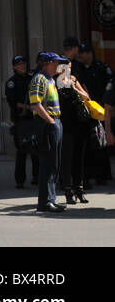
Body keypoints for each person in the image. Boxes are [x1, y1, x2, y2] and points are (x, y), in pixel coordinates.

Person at [58, 38, 96, 204]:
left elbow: (86, 95)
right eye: (64, 66)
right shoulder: (57, 82)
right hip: (65, 123)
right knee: (67, 157)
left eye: (68, 65)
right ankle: (68, 190)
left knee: (78, 156)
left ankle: (79, 188)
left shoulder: (73, 79)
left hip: (79, 122)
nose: (67, 67)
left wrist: (74, 86)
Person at [30, 52, 66, 213]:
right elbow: (35, 104)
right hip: (47, 124)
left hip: (55, 122)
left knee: (55, 164)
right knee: (47, 164)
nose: (59, 65)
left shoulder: (51, 80)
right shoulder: (39, 79)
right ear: (47, 63)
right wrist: (50, 122)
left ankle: (51, 199)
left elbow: (68, 83)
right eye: (57, 62)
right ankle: (44, 202)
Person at [76, 43, 113, 185]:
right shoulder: (78, 69)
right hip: (85, 112)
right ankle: (86, 176)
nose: (80, 55)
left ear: (90, 54)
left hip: (101, 111)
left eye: (83, 53)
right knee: (87, 144)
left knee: (101, 143)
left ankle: (102, 175)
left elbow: (109, 90)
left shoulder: (102, 68)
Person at [4, 55, 39, 189]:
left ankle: (37, 176)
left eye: (24, 63)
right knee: (21, 150)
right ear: (14, 66)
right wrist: (28, 107)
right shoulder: (11, 82)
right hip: (21, 120)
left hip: (34, 118)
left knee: (36, 148)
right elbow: (13, 102)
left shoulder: (31, 78)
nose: (22, 66)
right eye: (18, 64)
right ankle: (20, 180)